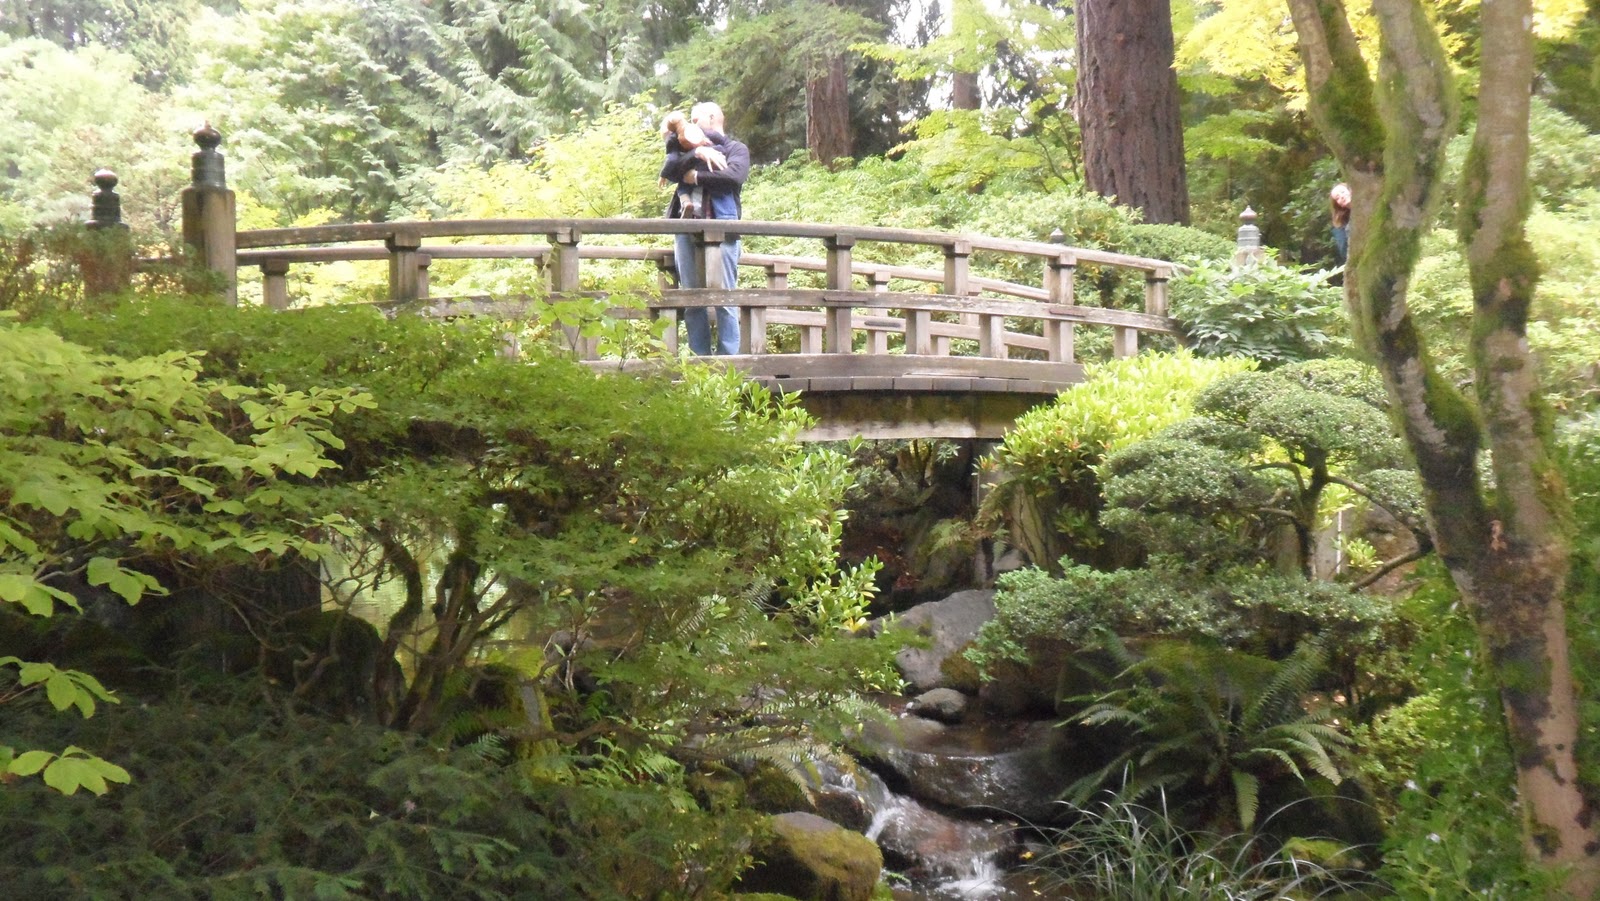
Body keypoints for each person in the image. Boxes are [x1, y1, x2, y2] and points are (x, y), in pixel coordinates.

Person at [661, 102, 749, 356]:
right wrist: (697, 155)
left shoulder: (736, 149)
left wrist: (696, 177)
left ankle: (728, 361)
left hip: (724, 227)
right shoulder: (685, 147)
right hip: (686, 230)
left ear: (711, 117)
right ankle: (700, 359)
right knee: (691, 297)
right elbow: (671, 170)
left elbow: (732, 178)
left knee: (726, 297)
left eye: (695, 119)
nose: (691, 124)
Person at [1329, 182, 1352, 265]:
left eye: (1342, 192)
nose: (1341, 197)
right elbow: (1344, 251)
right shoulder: (1342, 225)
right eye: (1337, 198)